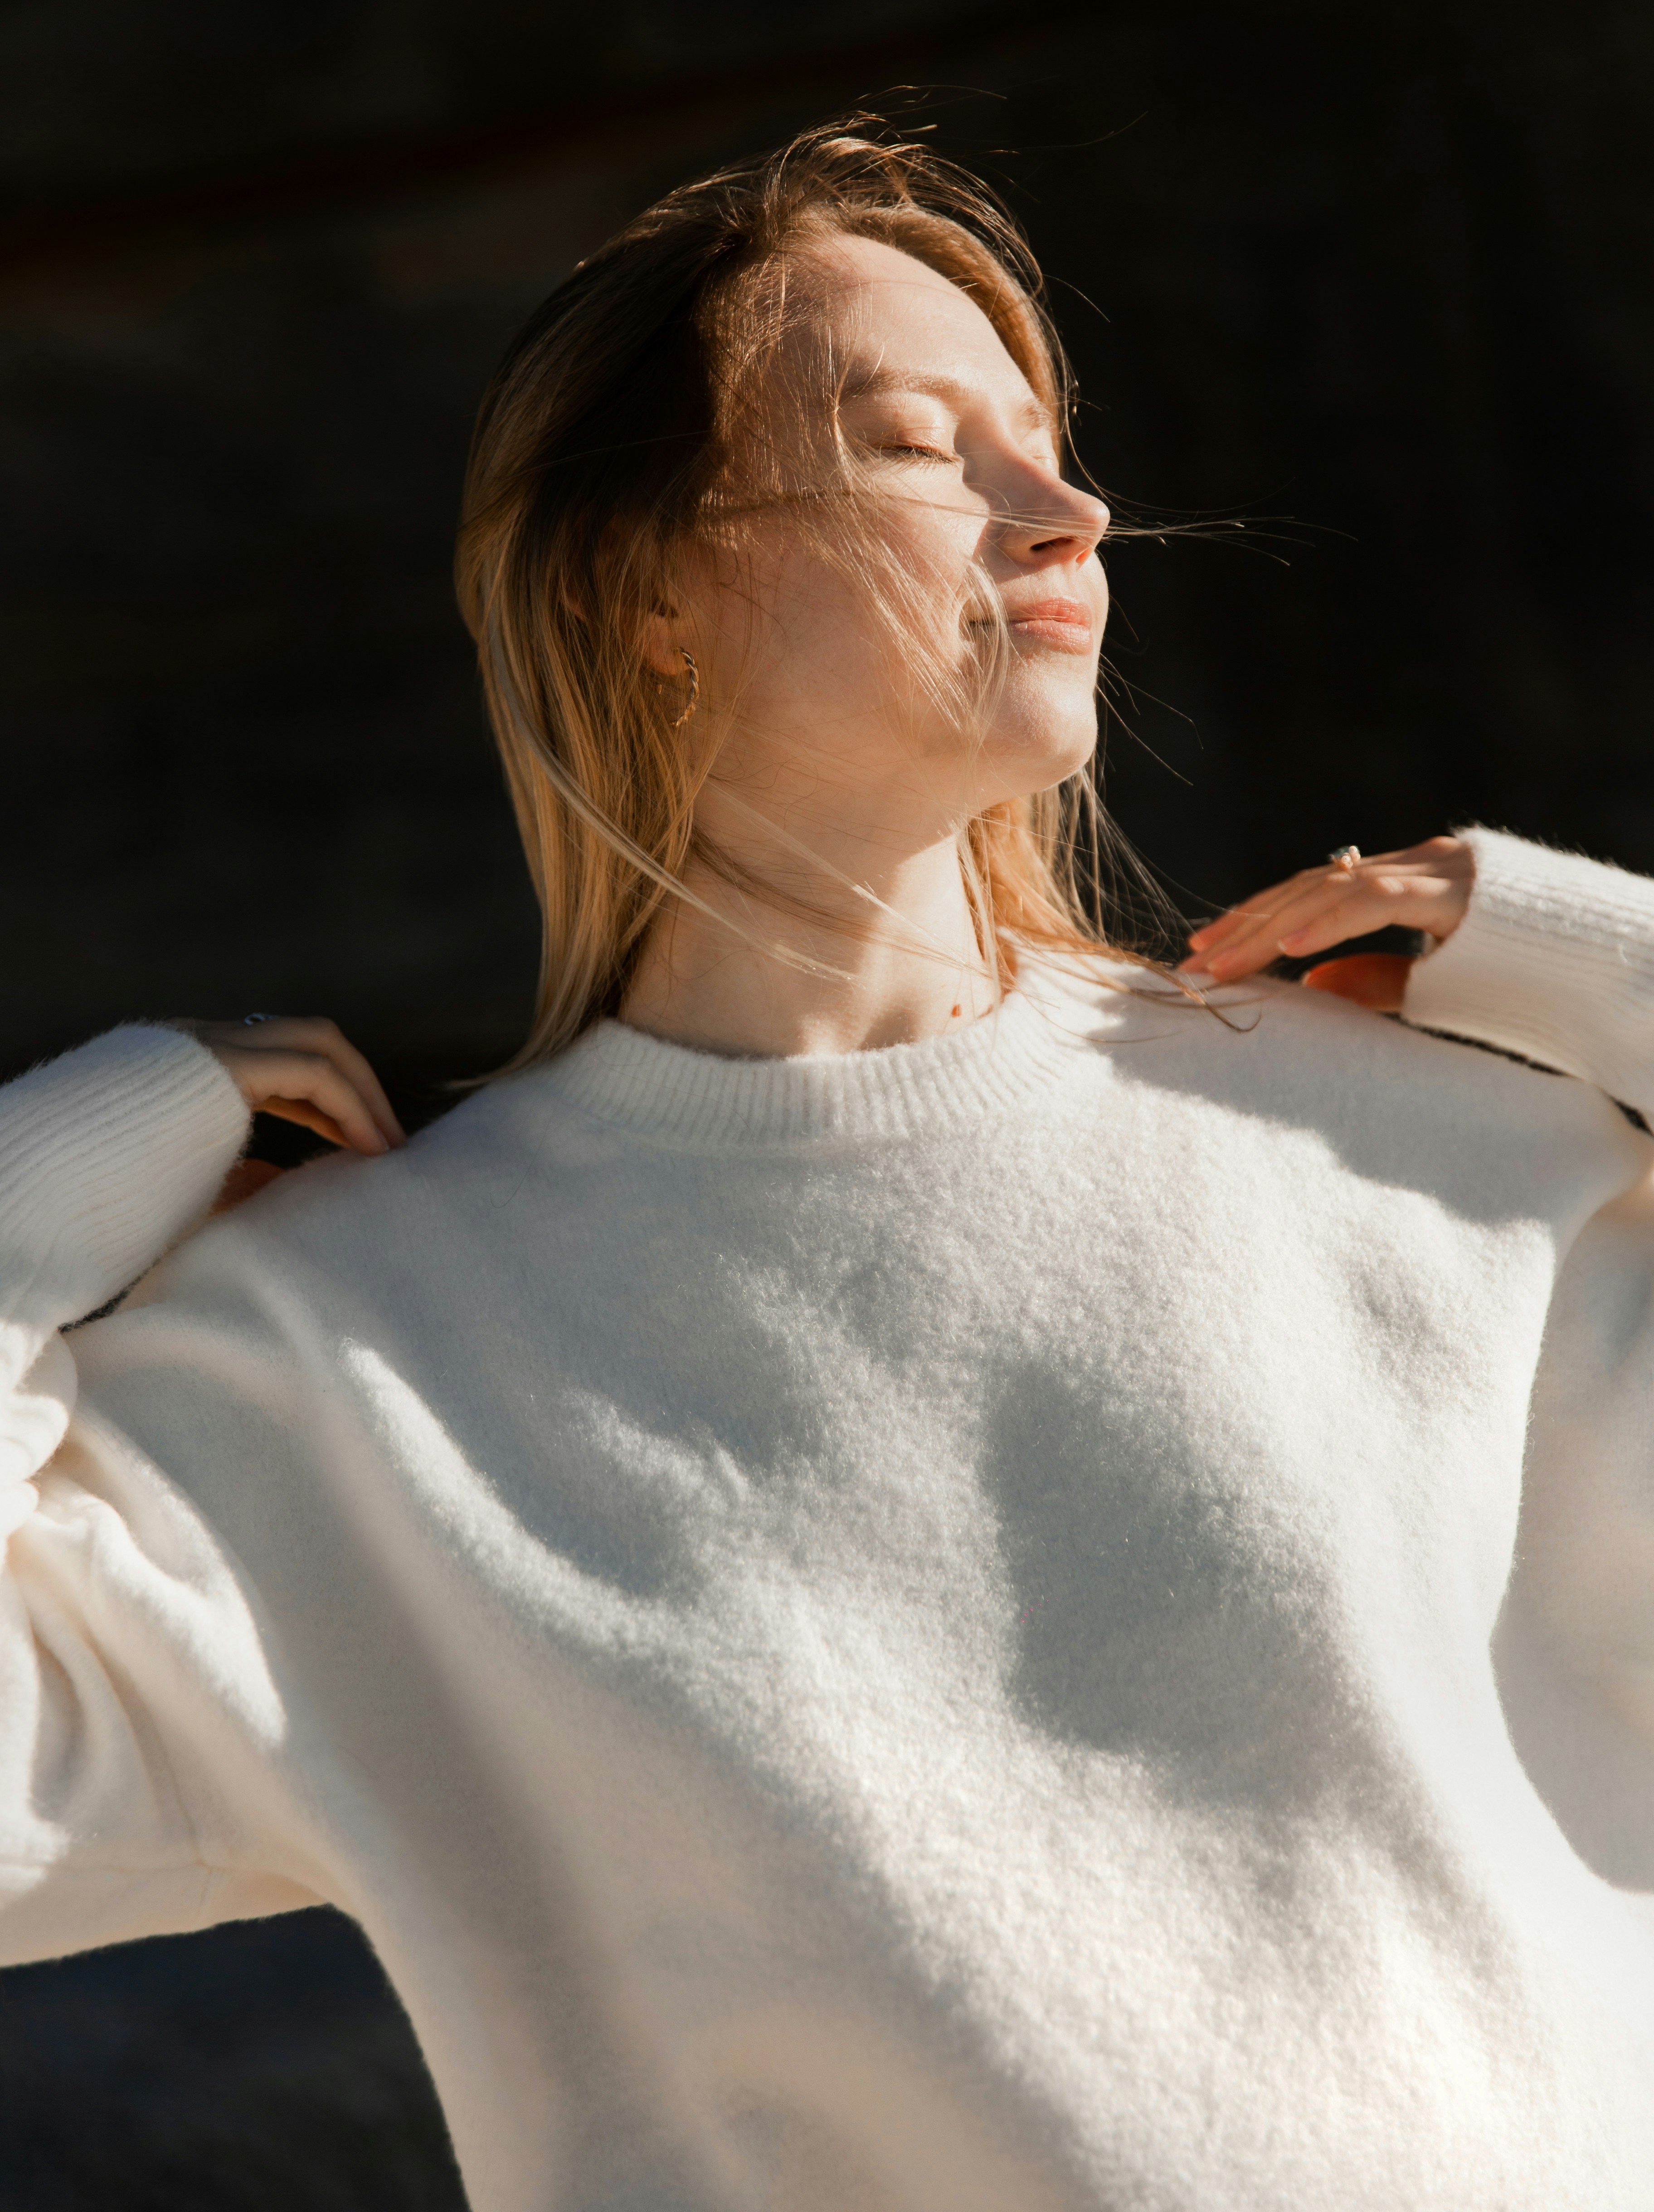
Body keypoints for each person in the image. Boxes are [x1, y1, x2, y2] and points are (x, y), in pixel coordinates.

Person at [3, 125, 1652, 2212]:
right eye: (913, 445)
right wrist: (67, 1169)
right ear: (647, 590)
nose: (1065, 509)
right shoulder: (345, 1358)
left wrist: (1595, 957)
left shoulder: (1423, 1158)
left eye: (1045, 440)